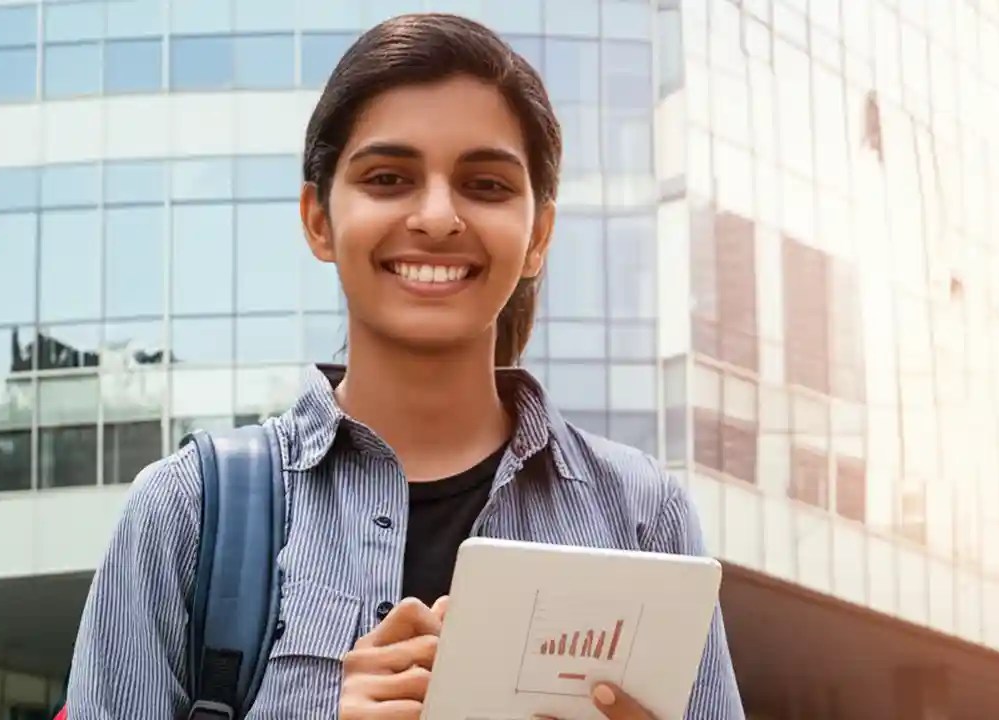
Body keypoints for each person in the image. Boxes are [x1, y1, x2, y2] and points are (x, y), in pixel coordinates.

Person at [65, 12, 744, 720]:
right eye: (389, 178)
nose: (438, 216)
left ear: (538, 233)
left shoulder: (640, 517)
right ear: (319, 220)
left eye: (485, 185)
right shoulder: (187, 511)